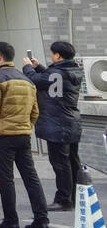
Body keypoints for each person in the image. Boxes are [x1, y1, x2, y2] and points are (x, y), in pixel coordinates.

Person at [0, 41, 49, 228]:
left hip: (2, 136)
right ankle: (42, 219)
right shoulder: (26, 79)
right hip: (23, 134)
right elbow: (35, 111)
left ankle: (11, 220)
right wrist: (26, 126)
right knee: (31, 177)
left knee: (6, 178)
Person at [23, 41, 84, 210]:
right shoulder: (74, 71)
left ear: (57, 55)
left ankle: (63, 200)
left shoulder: (56, 73)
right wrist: (39, 67)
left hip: (57, 124)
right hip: (72, 123)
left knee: (60, 163)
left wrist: (28, 67)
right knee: (72, 161)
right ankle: (75, 197)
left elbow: (35, 80)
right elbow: (53, 80)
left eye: (52, 54)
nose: (51, 56)